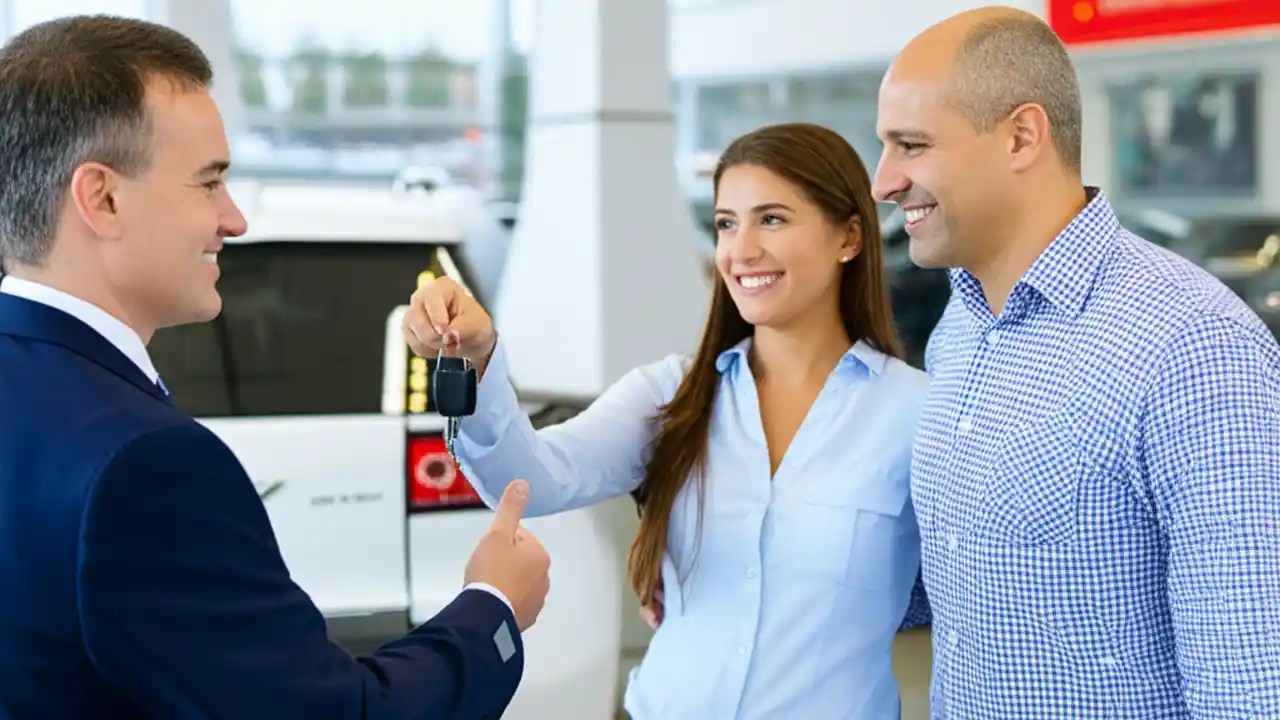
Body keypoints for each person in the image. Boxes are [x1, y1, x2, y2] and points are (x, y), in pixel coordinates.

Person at [0, 15, 550, 719]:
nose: (234, 219)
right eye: (209, 183)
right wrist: (493, 605)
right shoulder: (145, 464)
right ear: (101, 197)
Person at [403, 122, 930, 718]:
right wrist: (478, 357)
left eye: (773, 219)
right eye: (728, 222)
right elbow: (529, 479)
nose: (741, 250)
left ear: (850, 237)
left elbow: (962, 580)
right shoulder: (671, 395)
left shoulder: (915, 413)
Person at [871, 7, 1280, 717]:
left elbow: (1248, 683)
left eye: (911, 145)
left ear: (1022, 136)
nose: (883, 182)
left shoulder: (1195, 350)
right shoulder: (962, 329)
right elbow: (958, 587)